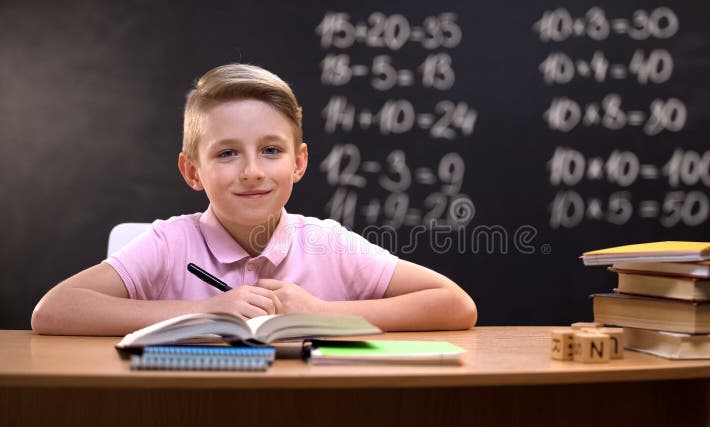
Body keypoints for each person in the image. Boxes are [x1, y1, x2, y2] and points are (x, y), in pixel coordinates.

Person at [31, 63, 477, 335]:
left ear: (299, 163)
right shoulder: (168, 244)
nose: (252, 171)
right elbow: (53, 313)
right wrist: (203, 311)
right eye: (227, 153)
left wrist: (324, 315)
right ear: (192, 172)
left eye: (271, 150)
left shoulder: (327, 243)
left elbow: (455, 304)